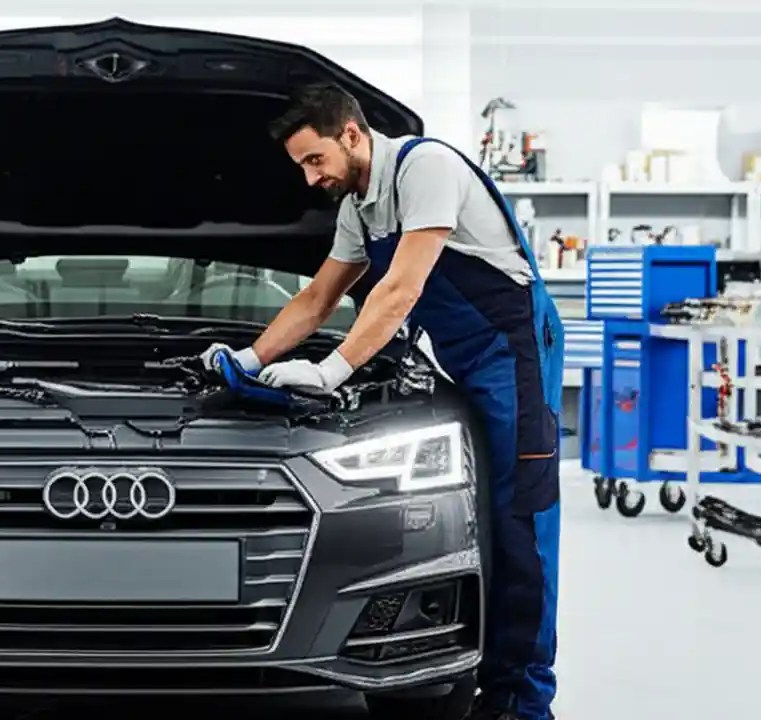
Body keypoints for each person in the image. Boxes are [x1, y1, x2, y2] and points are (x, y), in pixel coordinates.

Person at [200, 83, 562, 720]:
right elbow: (316, 300)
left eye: (316, 161)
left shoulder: (428, 169)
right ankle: (493, 682)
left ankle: (522, 702)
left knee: (521, 517)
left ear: (350, 135)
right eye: (302, 167)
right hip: (465, 358)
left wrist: (331, 371)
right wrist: (249, 360)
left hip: (515, 354)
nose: (312, 179)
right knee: (486, 511)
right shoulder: (358, 207)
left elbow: (399, 289)